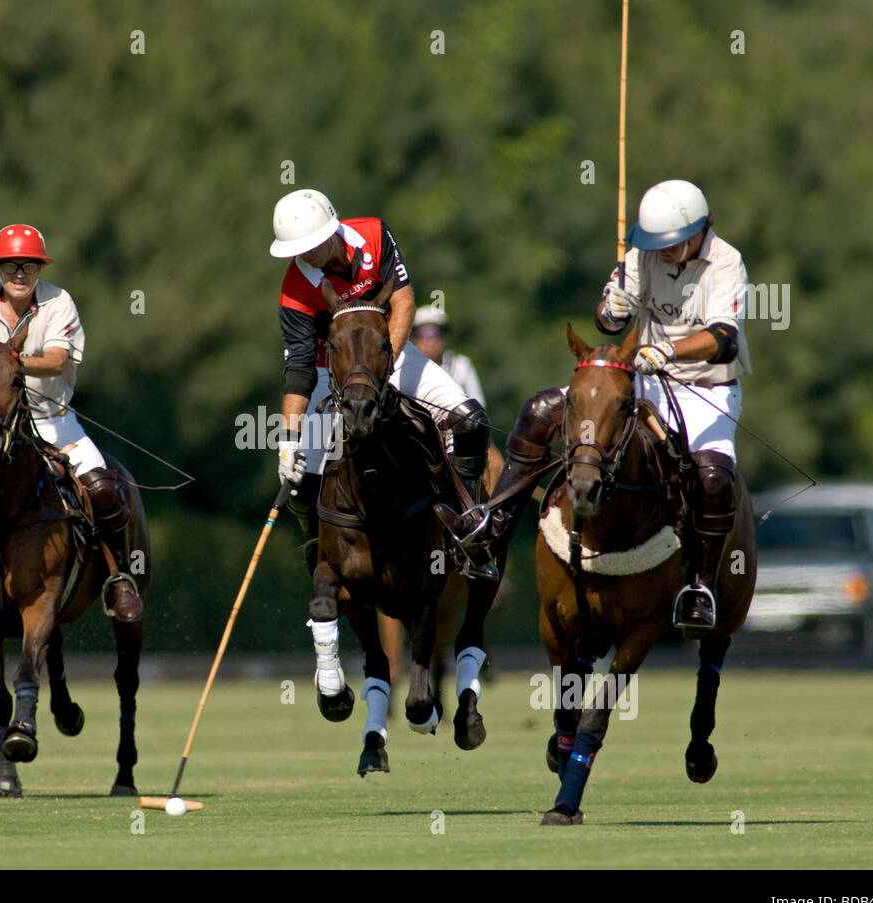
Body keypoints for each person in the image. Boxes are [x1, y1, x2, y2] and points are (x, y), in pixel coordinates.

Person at [439, 179, 750, 629]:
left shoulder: (726, 262)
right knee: (540, 412)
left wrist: (669, 351)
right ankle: (494, 528)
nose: (662, 252)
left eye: (672, 243)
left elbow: (724, 339)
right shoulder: (643, 254)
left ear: (700, 230)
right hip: (643, 380)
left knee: (713, 477)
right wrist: (612, 308)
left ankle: (699, 587)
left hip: (705, 388)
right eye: (657, 244)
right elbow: (607, 322)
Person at [269, 188, 493, 723]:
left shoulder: (371, 234)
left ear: (332, 231)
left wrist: (384, 365)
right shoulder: (296, 288)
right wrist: (289, 435)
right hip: (331, 372)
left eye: (312, 245)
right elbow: (299, 368)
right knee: (301, 479)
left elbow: (405, 301)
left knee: (470, 420)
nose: (307, 256)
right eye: (297, 250)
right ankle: (318, 549)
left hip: (388, 352)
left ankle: (467, 527)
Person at [0, 224, 143, 622]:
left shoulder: (58, 301)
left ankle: (119, 577)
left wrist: (3, 363)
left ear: (40, 268)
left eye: (29, 266)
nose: (19, 274)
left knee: (103, 491)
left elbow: (56, 361)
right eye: (10, 265)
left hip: (53, 422)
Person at [411, 305, 487, 406]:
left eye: (434, 333)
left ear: (444, 336)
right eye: (422, 333)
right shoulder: (405, 368)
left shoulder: (461, 366)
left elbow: (479, 404)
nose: (429, 341)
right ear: (414, 338)